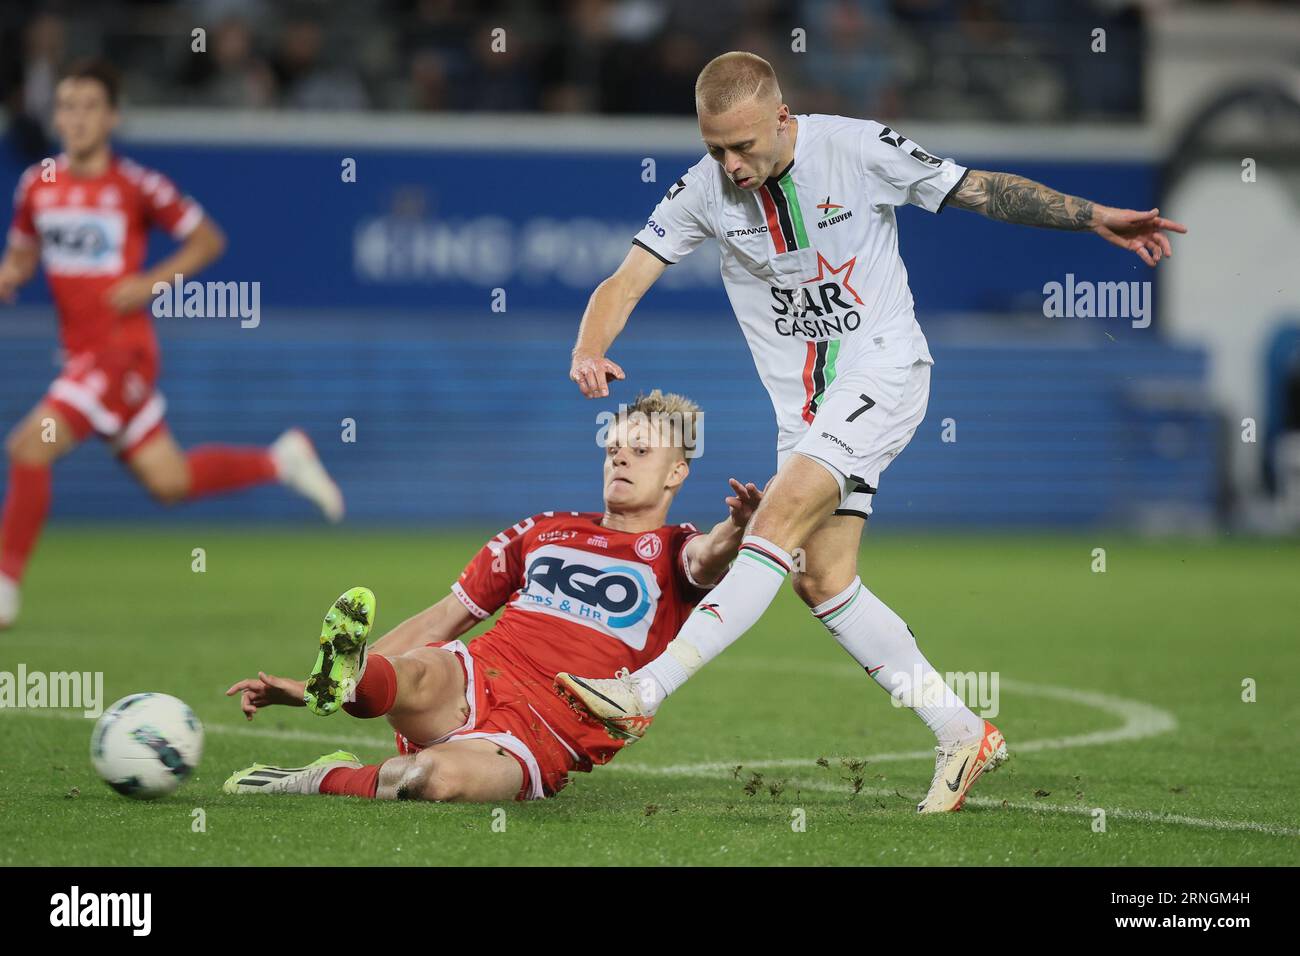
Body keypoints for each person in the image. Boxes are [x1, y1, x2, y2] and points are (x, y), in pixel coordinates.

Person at [558, 51, 1188, 813]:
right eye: (714, 148)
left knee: (776, 518)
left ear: (783, 119)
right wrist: (590, 347)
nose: (730, 163)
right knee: (820, 576)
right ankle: (961, 730)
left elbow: (980, 190)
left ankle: (643, 690)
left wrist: (1095, 217)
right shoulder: (703, 192)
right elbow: (623, 281)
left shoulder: (857, 149)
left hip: (883, 372)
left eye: (743, 146)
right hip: (806, 411)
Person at [223, 391, 762, 802]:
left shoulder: (675, 550)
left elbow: (709, 556)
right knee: (411, 671)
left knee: (430, 782)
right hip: (479, 674)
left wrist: (736, 529)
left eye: (639, 451)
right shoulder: (542, 531)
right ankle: (347, 676)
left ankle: (322, 776)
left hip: (547, 733)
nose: (620, 459)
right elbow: (444, 618)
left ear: (676, 473)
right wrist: (307, 688)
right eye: (614, 448)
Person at [0, 60, 343, 629]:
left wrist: (151, 283)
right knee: (169, 482)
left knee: (28, 447)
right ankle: (280, 459)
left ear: (111, 116)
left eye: (89, 106)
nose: (77, 117)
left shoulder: (136, 186)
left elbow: (208, 238)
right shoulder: (38, 184)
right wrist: (11, 272)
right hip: (82, 355)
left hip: (119, 351)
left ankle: (6, 584)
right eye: (67, 106)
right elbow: (23, 253)